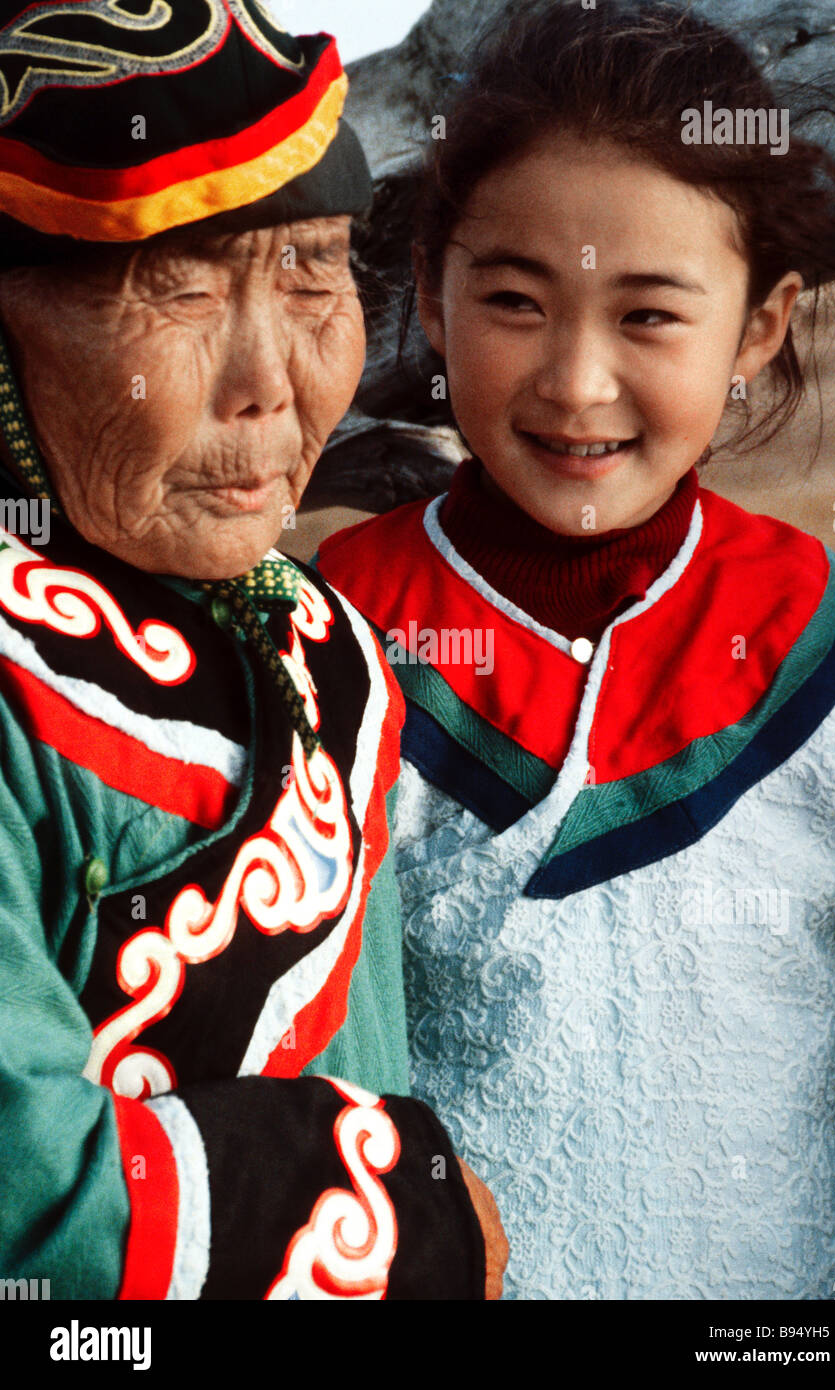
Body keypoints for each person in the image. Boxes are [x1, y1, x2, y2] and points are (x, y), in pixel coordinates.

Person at [318, 0, 835, 1298]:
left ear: (760, 326)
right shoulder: (324, 642)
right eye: (515, 299)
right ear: (429, 297)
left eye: (648, 316)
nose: (575, 381)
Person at [0, 4, 507, 1300]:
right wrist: (403, 1221)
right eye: (178, 284)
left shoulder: (324, 647)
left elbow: (370, 1070)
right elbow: (28, 1203)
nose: (271, 382)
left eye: (311, 274)